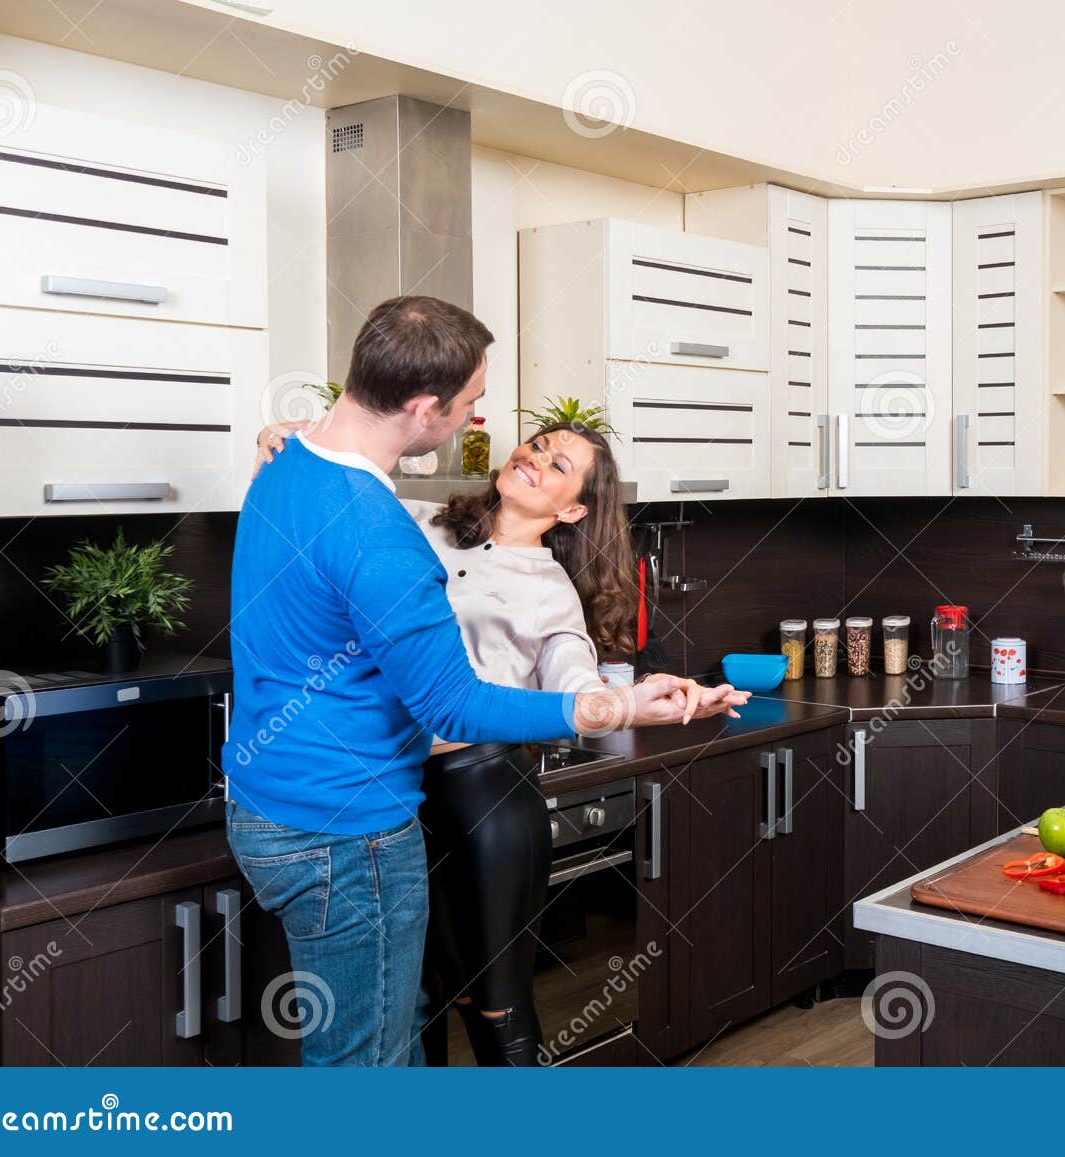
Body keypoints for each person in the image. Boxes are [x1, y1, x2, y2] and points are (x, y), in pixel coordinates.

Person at [224, 296, 746, 1067]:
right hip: (353, 821)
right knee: (371, 1058)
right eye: (471, 402)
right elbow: (454, 702)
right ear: (426, 408)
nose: (483, 422)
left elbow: (560, 677)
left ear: (574, 510)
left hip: (375, 799)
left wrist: (620, 699)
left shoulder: (295, 472)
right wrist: (626, 703)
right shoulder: (398, 528)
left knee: (440, 1016)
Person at [254, 418, 655, 1065]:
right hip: (394, 800)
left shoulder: (551, 592)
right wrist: (287, 447)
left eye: (558, 467)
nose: (536, 459)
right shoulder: (421, 521)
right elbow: (334, 516)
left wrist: (633, 701)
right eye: (539, 445)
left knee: (493, 1002)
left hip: (485, 800)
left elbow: (577, 694)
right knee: (422, 997)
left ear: (574, 508)